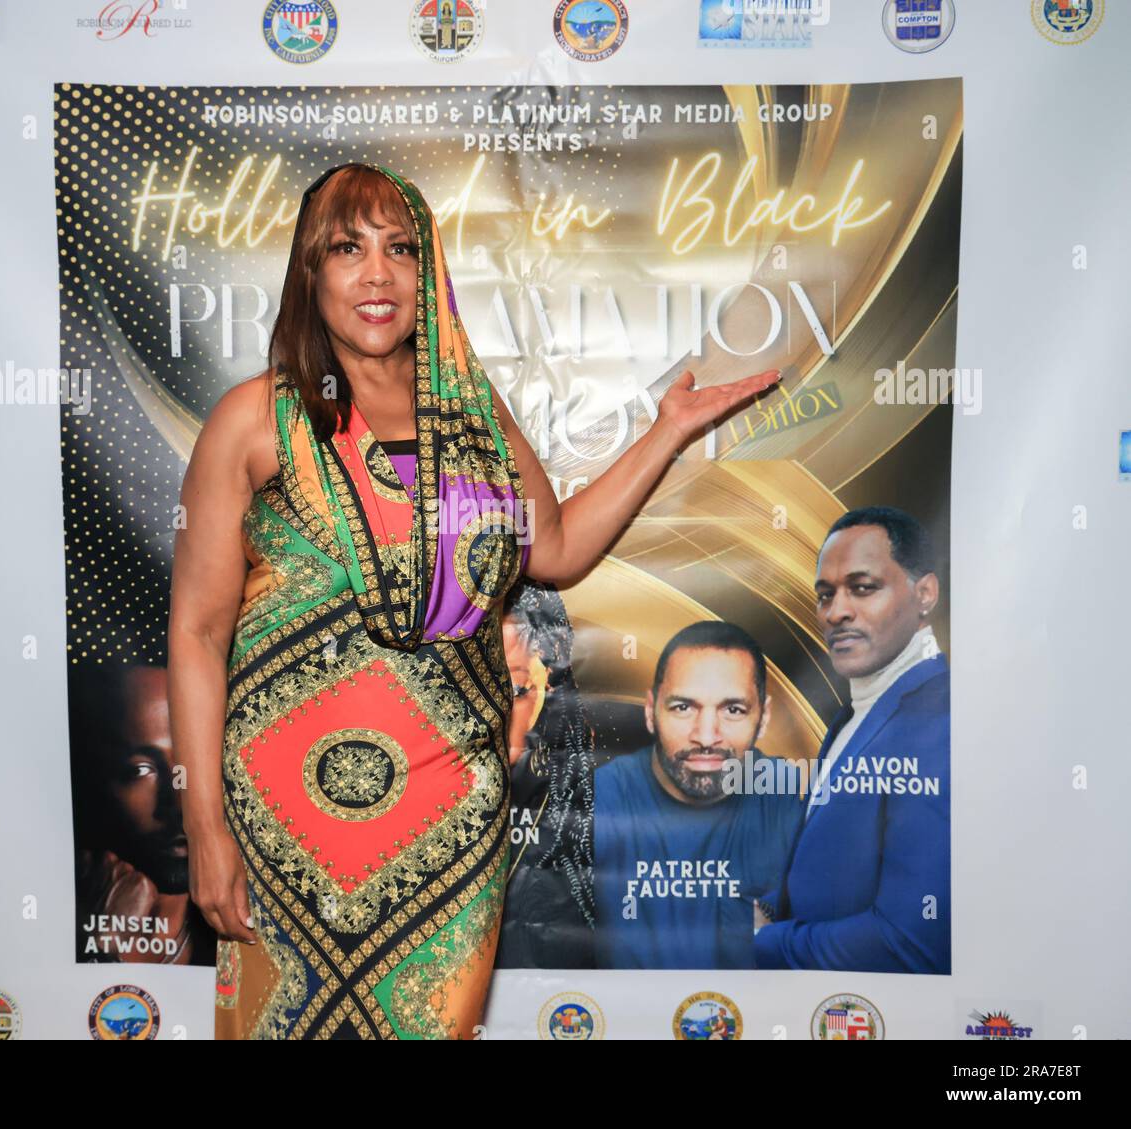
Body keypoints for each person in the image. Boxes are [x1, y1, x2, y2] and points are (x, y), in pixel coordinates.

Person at [168, 161, 782, 1040]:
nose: (377, 273)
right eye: (348, 248)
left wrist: (667, 434)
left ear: (430, 274)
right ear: (312, 273)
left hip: (451, 819)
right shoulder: (254, 420)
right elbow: (195, 631)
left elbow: (558, 547)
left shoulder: (472, 414)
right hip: (285, 824)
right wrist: (207, 830)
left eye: (401, 249)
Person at [753, 505, 950, 973]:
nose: (836, 612)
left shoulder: (941, 719)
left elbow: (910, 941)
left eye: (863, 588)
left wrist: (763, 940)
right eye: (825, 595)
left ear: (924, 593)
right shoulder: (853, 716)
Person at [593, 621, 804, 970]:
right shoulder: (601, 797)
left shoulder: (788, 796)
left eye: (732, 710)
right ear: (650, 711)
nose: (706, 736)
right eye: (683, 707)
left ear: (763, 718)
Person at [69, 661, 216, 966]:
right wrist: (105, 943)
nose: (177, 802)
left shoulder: (252, 929)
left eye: (195, 761)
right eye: (140, 769)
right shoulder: (47, 921)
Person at [492, 579, 595, 969]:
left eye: (515, 690)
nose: (492, 711)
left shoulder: (587, 794)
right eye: (474, 683)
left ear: (548, 682)